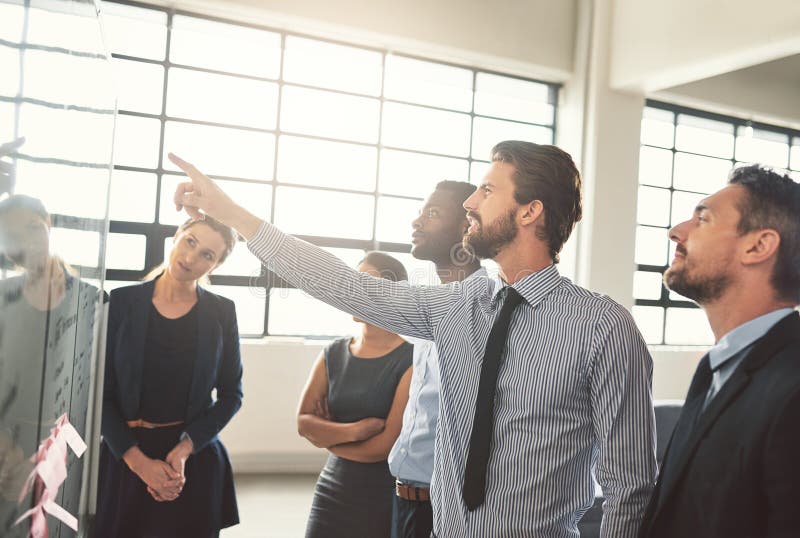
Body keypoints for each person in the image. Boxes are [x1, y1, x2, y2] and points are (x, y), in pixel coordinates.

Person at [169, 140, 656, 537]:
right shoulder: (457, 306)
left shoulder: (603, 330)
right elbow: (347, 286)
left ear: (530, 212)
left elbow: (629, 486)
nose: (470, 202)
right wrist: (233, 214)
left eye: (487, 190)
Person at [639, 165, 800, 538]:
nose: (676, 232)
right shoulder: (718, 370)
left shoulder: (792, 388)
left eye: (703, 219)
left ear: (758, 246)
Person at [97, 217, 243, 538]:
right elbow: (99, 395)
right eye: (190, 241)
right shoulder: (121, 302)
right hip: (126, 455)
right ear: (176, 235)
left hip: (192, 461)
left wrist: (184, 450)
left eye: (207, 255)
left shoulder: (221, 312)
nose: (191, 258)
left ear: (215, 265)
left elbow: (232, 395)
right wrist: (139, 463)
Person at [0, 194, 100, 536]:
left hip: (66, 445)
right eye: (14, 236)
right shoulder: (3, 296)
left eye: (33, 227)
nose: (27, 242)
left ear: (49, 224)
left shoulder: (91, 300)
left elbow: (97, 386)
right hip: (8, 444)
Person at [388, 180, 482, 538]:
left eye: (432, 213)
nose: (416, 222)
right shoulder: (427, 304)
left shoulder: (482, 310)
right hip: (406, 497)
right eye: (419, 212)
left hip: (447, 507)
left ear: (466, 228)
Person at [298, 251, 413, 538]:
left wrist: (327, 435)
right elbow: (303, 423)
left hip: (381, 497)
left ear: (392, 293)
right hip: (331, 488)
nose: (354, 291)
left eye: (366, 283)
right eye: (352, 282)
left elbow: (383, 447)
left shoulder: (411, 359)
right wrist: (355, 430)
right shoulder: (334, 352)